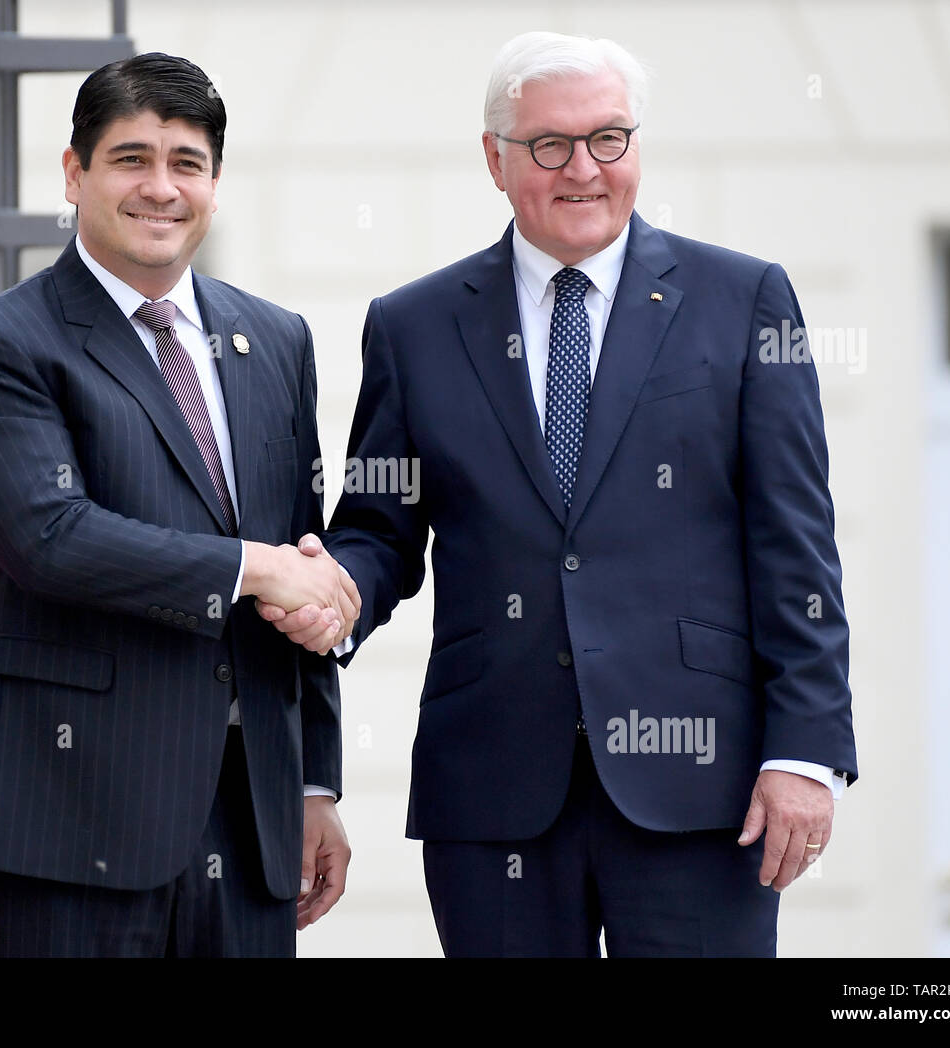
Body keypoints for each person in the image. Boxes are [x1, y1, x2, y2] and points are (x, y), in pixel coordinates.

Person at [260, 30, 857, 957]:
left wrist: (804, 754)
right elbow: (381, 530)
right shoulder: (414, 325)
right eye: (549, 145)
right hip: (493, 788)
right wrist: (329, 595)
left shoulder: (742, 300)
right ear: (495, 160)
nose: (583, 168)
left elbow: (796, 545)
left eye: (608, 138)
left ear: (636, 147)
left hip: (701, 785)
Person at [0, 51, 359, 958]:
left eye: (187, 162)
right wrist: (253, 567)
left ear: (213, 182)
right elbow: (50, 538)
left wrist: (315, 782)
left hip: (249, 833)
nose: (160, 187)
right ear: (75, 172)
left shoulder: (277, 341)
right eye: (131, 159)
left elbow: (302, 561)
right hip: (65, 825)